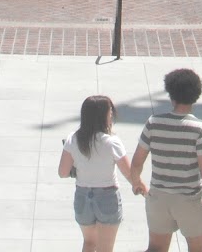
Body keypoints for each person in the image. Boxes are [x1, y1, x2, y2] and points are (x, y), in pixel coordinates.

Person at [128, 67, 202, 252]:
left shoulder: (154, 123)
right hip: (190, 200)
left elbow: (137, 161)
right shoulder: (200, 129)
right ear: (196, 95)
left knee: (156, 248)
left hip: (159, 198)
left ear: (171, 95)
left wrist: (136, 182)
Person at [59, 94, 142, 252]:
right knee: (106, 248)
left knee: (89, 243)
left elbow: (62, 172)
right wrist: (141, 187)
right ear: (103, 115)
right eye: (110, 111)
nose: (112, 114)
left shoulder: (73, 139)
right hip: (107, 197)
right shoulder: (112, 142)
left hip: (82, 197)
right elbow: (130, 173)